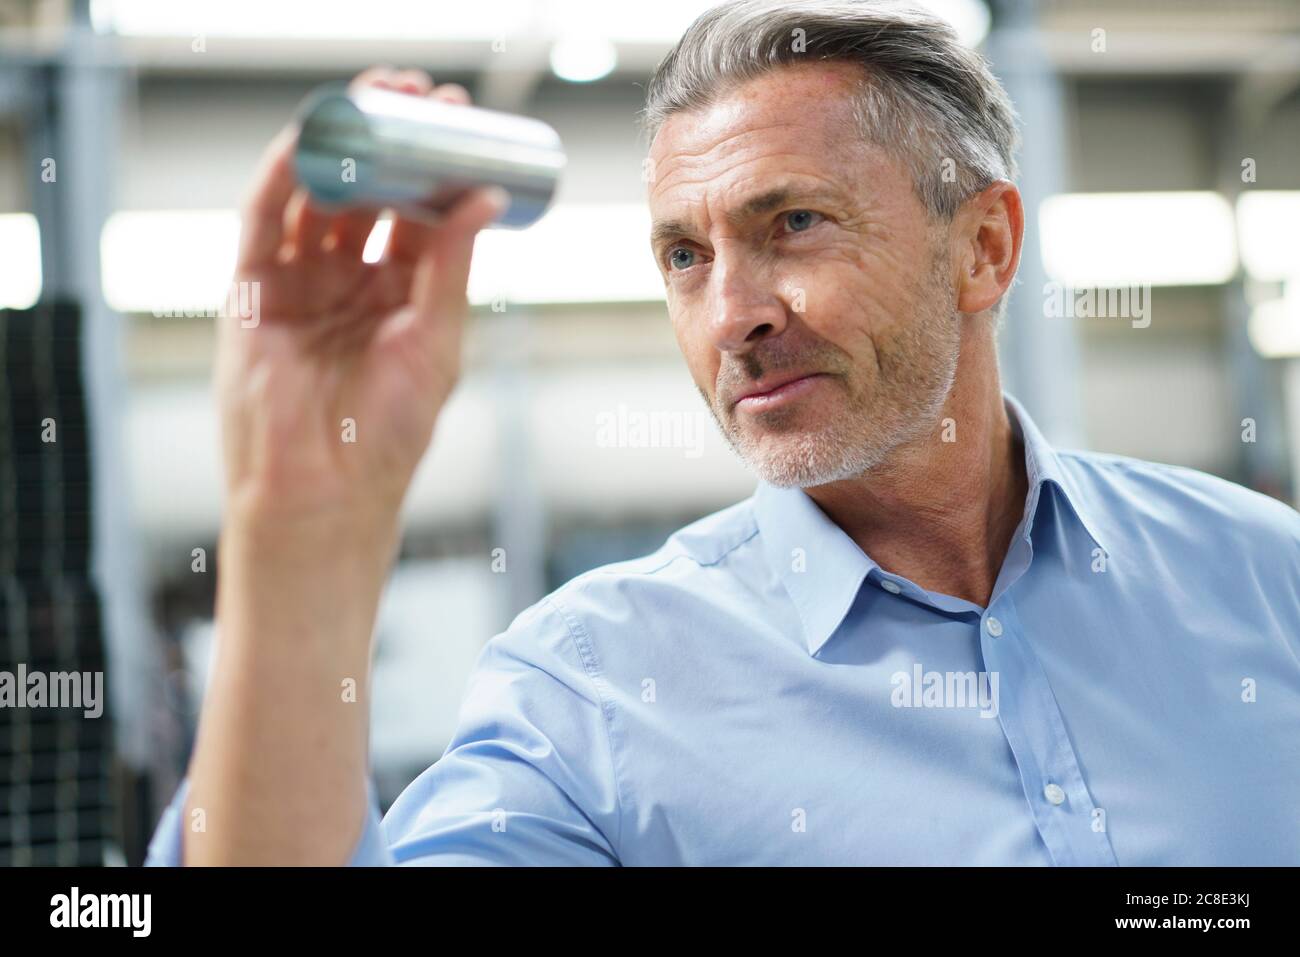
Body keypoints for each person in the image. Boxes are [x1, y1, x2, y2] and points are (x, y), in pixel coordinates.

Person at [147, 0, 1300, 866]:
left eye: (792, 223)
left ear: (983, 250)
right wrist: (299, 535)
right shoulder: (589, 691)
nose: (731, 314)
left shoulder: (1258, 577)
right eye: (684, 257)